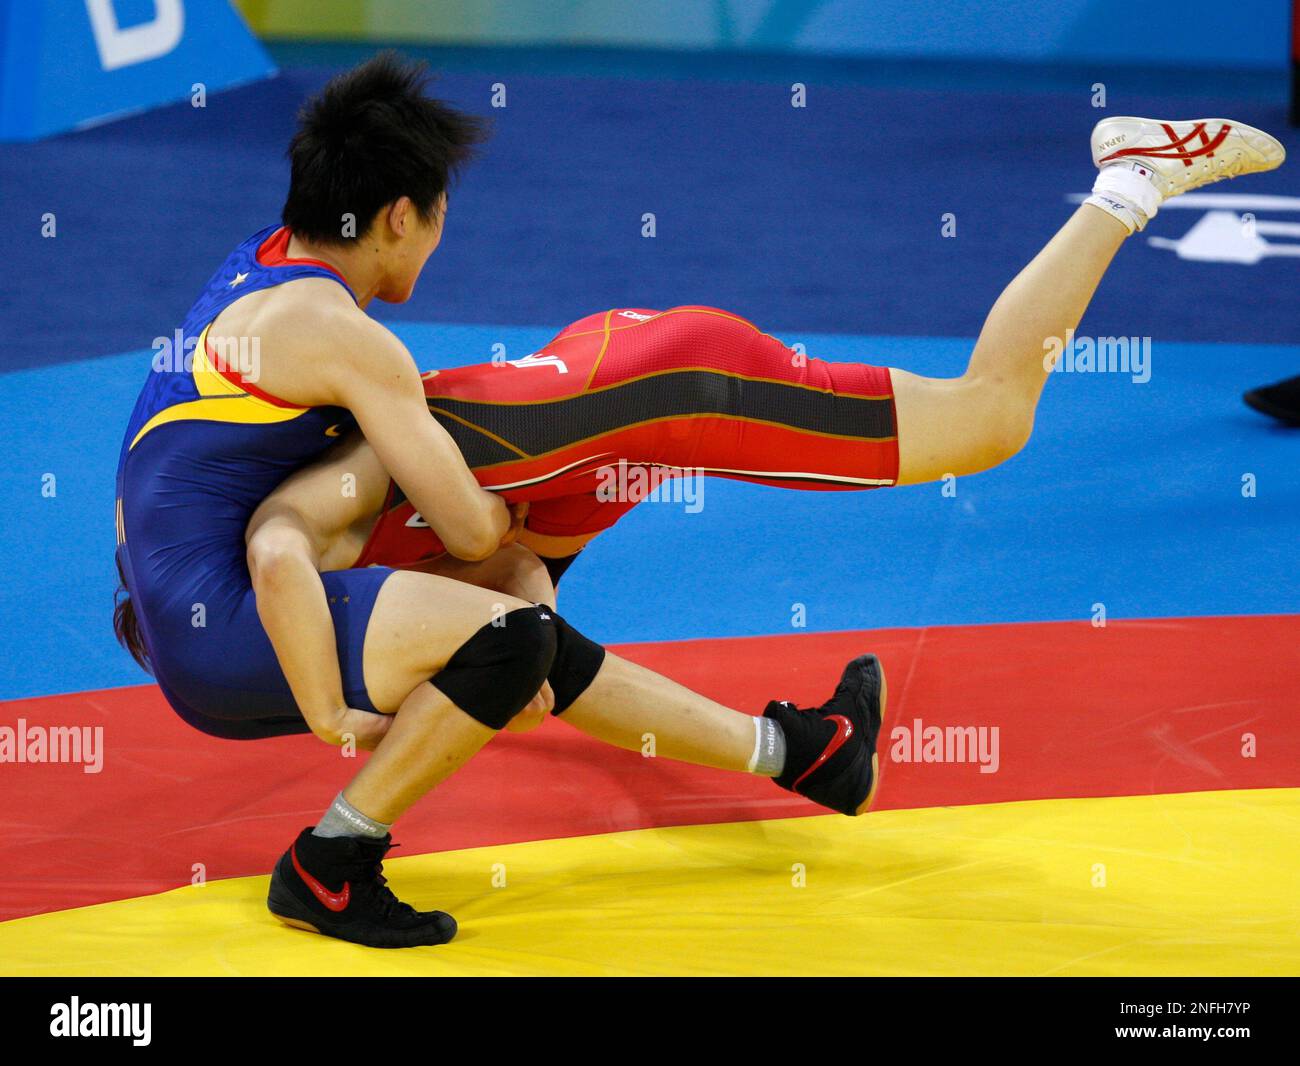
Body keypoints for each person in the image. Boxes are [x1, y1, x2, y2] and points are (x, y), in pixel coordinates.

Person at [113, 54, 887, 950]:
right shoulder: (343, 338)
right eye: (437, 219)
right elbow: (466, 523)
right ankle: (332, 862)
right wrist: (511, 516)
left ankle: (805, 754)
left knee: (522, 618)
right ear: (399, 217)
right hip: (238, 624)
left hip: (188, 616)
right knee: (508, 636)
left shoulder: (263, 265)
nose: (438, 240)